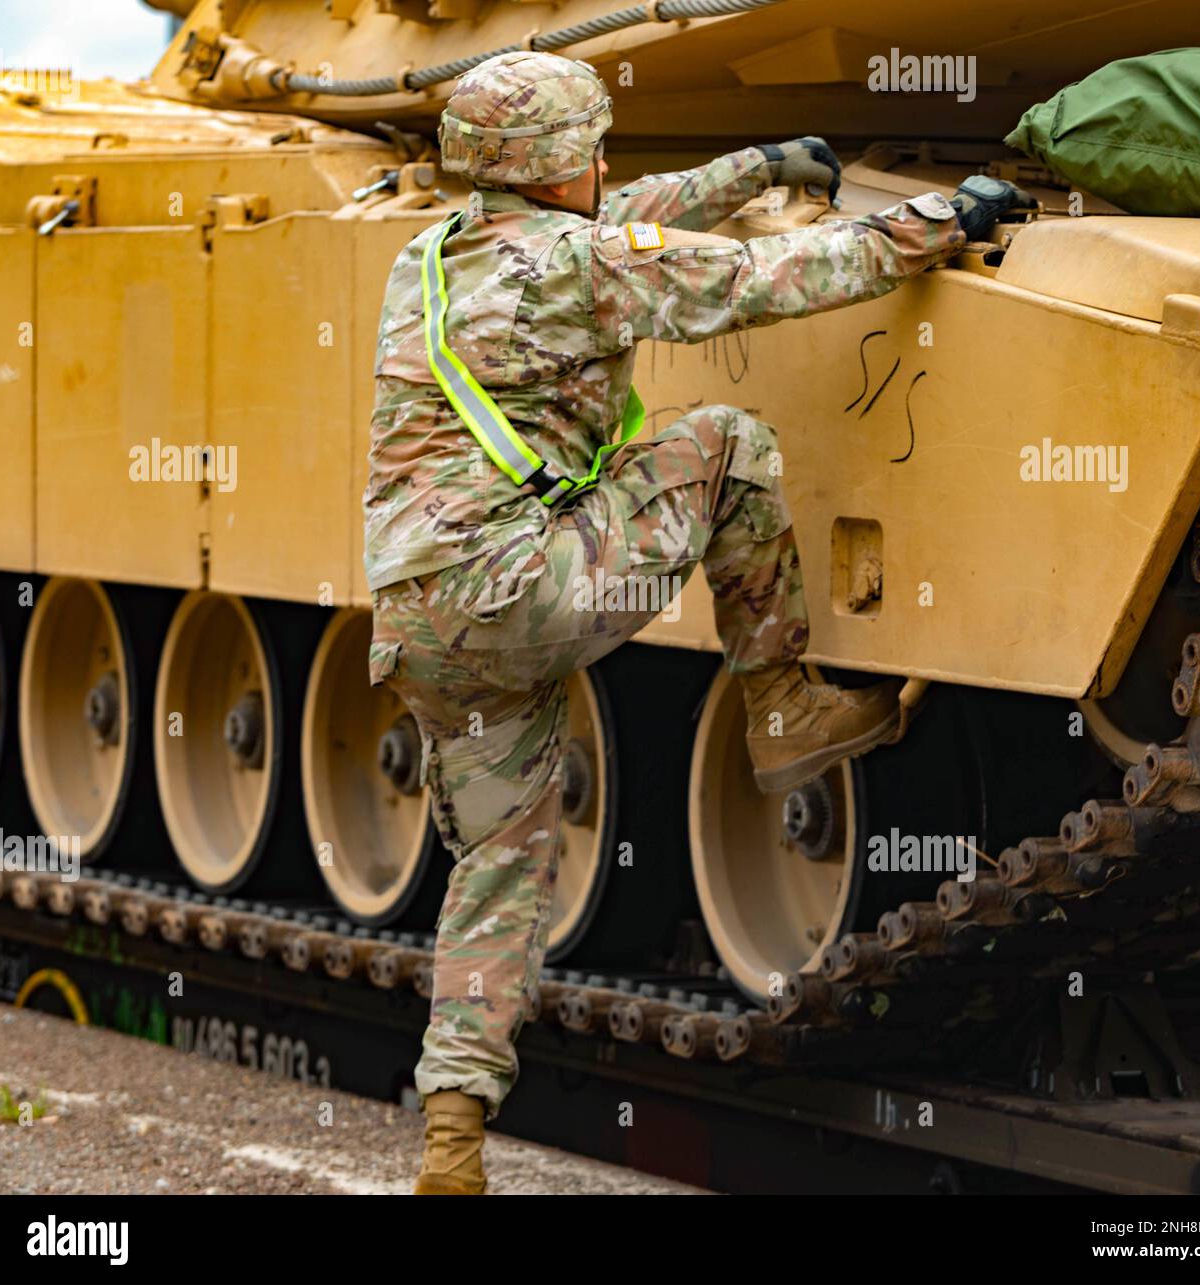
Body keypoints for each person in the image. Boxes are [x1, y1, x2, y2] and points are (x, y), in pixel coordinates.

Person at [363, 49, 1035, 1194]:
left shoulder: (432, 256)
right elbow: (765, 281)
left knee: (499, 871)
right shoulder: (579, 264)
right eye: (589, 150)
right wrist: (939, 220)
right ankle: (780, 706)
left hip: (423, 618)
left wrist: (750, 165)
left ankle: (452, 1145)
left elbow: (617, 223)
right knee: (725, 441)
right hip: (527, 586)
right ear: (551, 165)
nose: (606, 165)